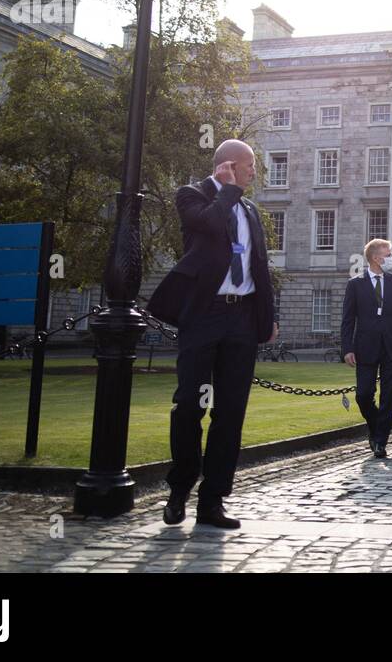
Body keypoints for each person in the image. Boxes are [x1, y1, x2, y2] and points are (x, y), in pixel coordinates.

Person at [149, 139, 278, 529]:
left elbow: (259, 264)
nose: (255, 173)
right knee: (189, 404)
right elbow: (205, 223)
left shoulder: (251, 210)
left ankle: (213, 500)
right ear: (230, 166)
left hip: (241, 318)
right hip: (204, 314)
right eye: (251, 166)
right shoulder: (193, 195)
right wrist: (226, 190)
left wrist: (267, 318)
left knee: (231, 412)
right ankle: (180, 488)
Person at [341, 239, 392, 459]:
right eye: (387, 254)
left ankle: (381, 441)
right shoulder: (355, 284)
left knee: (388, 396)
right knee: (363, 395)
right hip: (366, 347)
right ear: (375, 257)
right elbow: (348, 320)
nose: (391, 257)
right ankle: (376, 426)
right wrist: (347, 348)